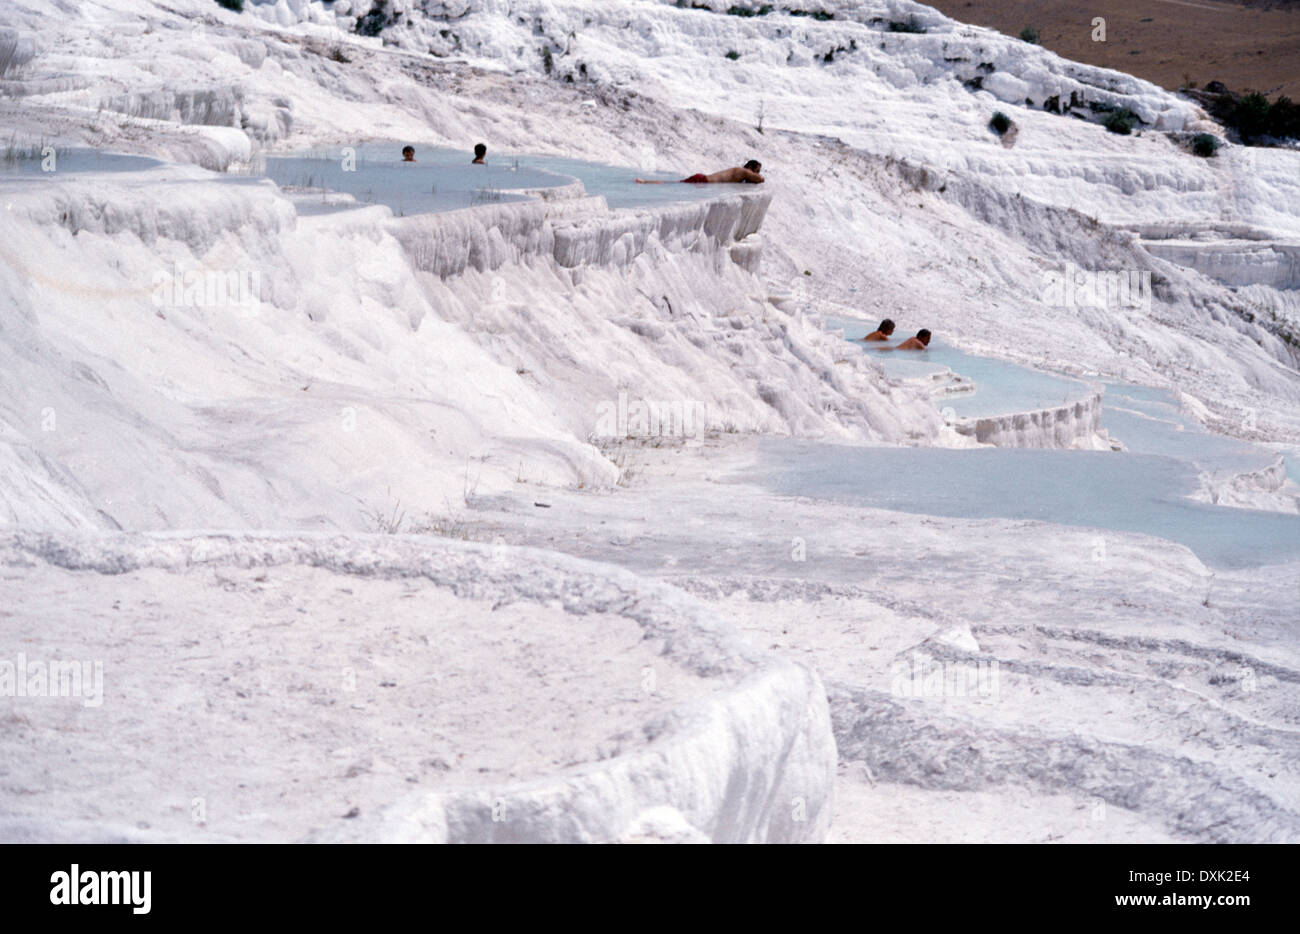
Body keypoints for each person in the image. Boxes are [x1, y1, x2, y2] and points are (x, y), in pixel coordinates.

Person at [636, 160, 764, 184]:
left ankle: (645, 182)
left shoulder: (740, 172)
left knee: (674, 184)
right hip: (702, 180)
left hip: (703, 180)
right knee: (671, 184)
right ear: (751, 168)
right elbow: (760, 180)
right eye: (757, 171)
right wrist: (757, 176)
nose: (757, 174)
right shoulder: (743, 171)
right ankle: (645, 182)